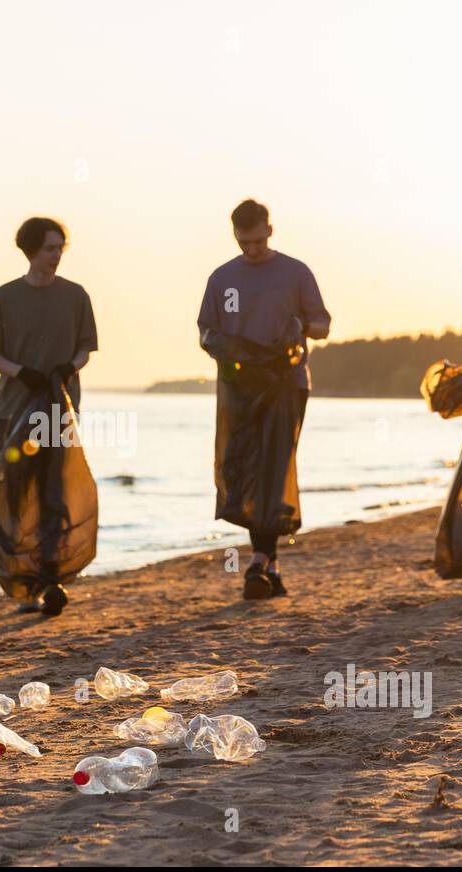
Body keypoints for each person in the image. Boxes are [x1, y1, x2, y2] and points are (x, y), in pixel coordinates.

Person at [197, 199, 331, 600]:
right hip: (240, 386)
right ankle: (269, 564)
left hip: (287, 382)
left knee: (274, 464)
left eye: (256, 241)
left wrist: (300, 326)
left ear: (269, 231)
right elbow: (206, 330)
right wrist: (227, 348)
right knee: (243, 467)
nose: (251, 250)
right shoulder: (222, 278)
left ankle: (259, 560)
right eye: (243, 244)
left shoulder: (296, 272)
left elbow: (323, 325)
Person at [0, 216, 98, 614]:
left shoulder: (76, 295)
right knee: (16, 495)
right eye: (50, 248)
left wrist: (69, 367)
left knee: (54, 495)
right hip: (13, 412)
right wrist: (21, 372)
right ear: (32, 250)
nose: (56, 255)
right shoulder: (3, 298)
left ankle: (51, 581)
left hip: (58, 413)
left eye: (61, 247)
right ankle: (24, 586)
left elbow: (86, 347)